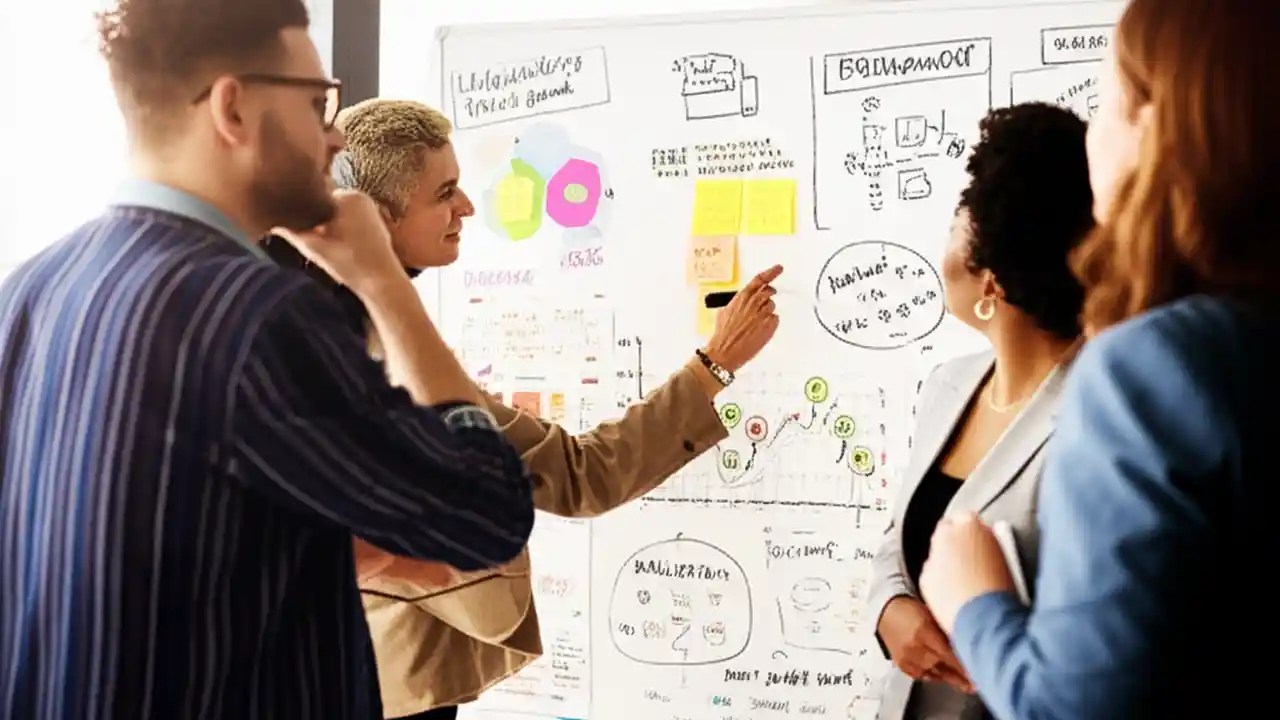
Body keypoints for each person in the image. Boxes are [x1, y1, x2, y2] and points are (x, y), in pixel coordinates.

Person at [0, 3, 537, 719]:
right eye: (319, 103)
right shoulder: (255, 315)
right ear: (233, 108)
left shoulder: (32, 288)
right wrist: (381, 283)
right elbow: (486, 516)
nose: (336, 132)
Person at [262, 98, 783, 720]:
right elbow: (582, 475)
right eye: (445, 192)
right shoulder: (377, 362)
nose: (468, 208)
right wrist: (713, 365)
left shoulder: (314, 329)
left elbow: (580, 471)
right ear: (376, 218)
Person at [920, 1, 1280, 718]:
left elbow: (1070, 705)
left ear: (1152, 125)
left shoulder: (1151, 369)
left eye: (1105, 98)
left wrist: (974, 602)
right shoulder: (1244, 338)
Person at [865, 102, 1094, 720]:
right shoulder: (948, 386)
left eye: (953, 224)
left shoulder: (1098, 422)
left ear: (990, 282)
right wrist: (889, 606)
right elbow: (901, 535)